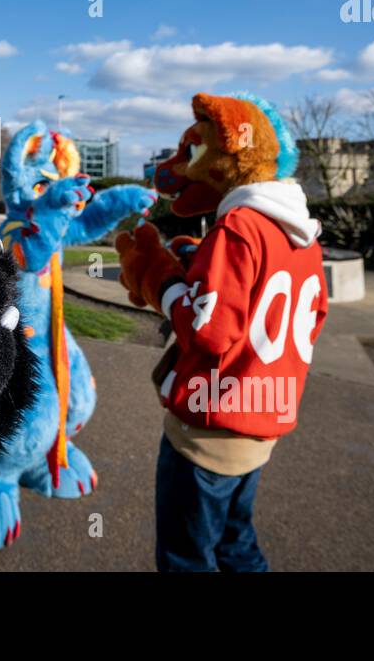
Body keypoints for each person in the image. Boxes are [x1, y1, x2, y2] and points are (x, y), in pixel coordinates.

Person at [117, 92, 327, 572]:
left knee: (186, 557)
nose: (184, 166)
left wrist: (160, 278)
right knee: (236, 545)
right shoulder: (301, 233)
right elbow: (311, 315)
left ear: (229, 149)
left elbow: (210, 332)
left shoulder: (238, 226)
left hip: (210, 428)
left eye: (194, 151)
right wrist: (200, 270)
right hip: (262, 422)